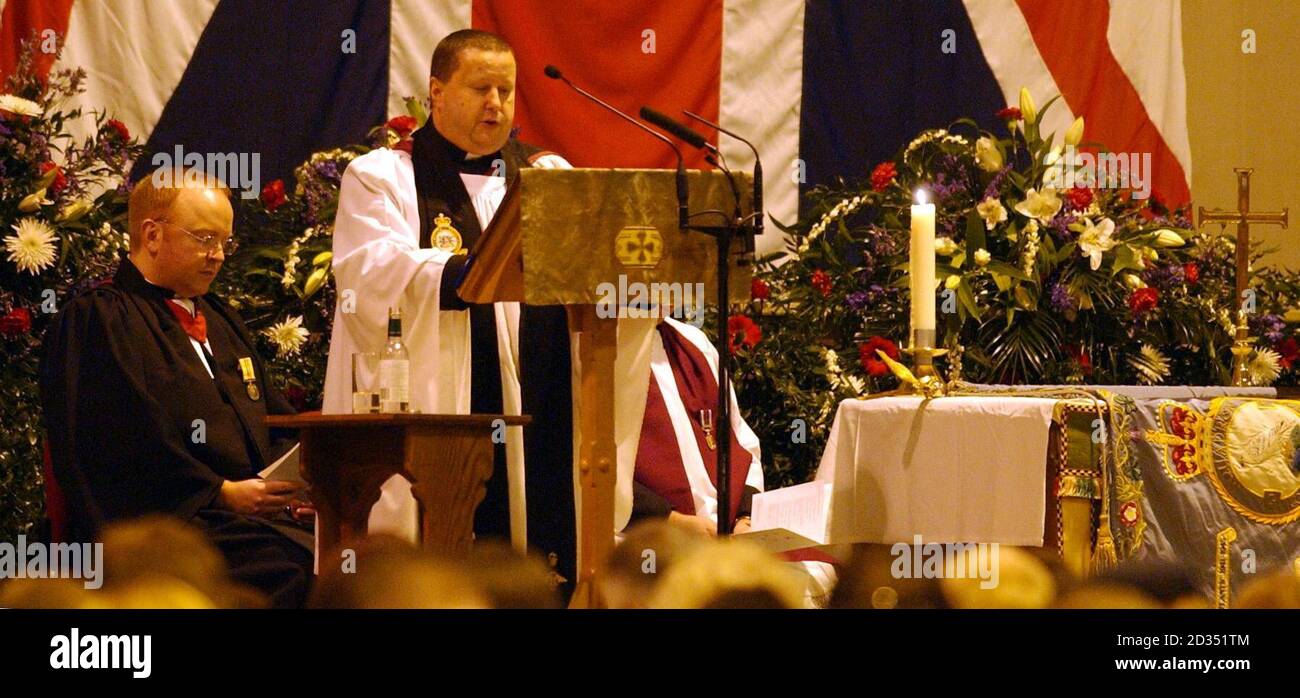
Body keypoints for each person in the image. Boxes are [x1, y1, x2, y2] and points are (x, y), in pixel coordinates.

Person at [40, 168, 314, 608]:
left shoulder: (222, 320)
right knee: (288, 567)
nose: (219, 255)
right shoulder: (100, 318)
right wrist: (219, 492)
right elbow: (113, 445)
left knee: (349, 550)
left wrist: (301, 483)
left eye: (225, 241)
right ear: (151, 235)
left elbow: (273, 420)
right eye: (206, 239)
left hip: (246, 520)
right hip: (166, 524)